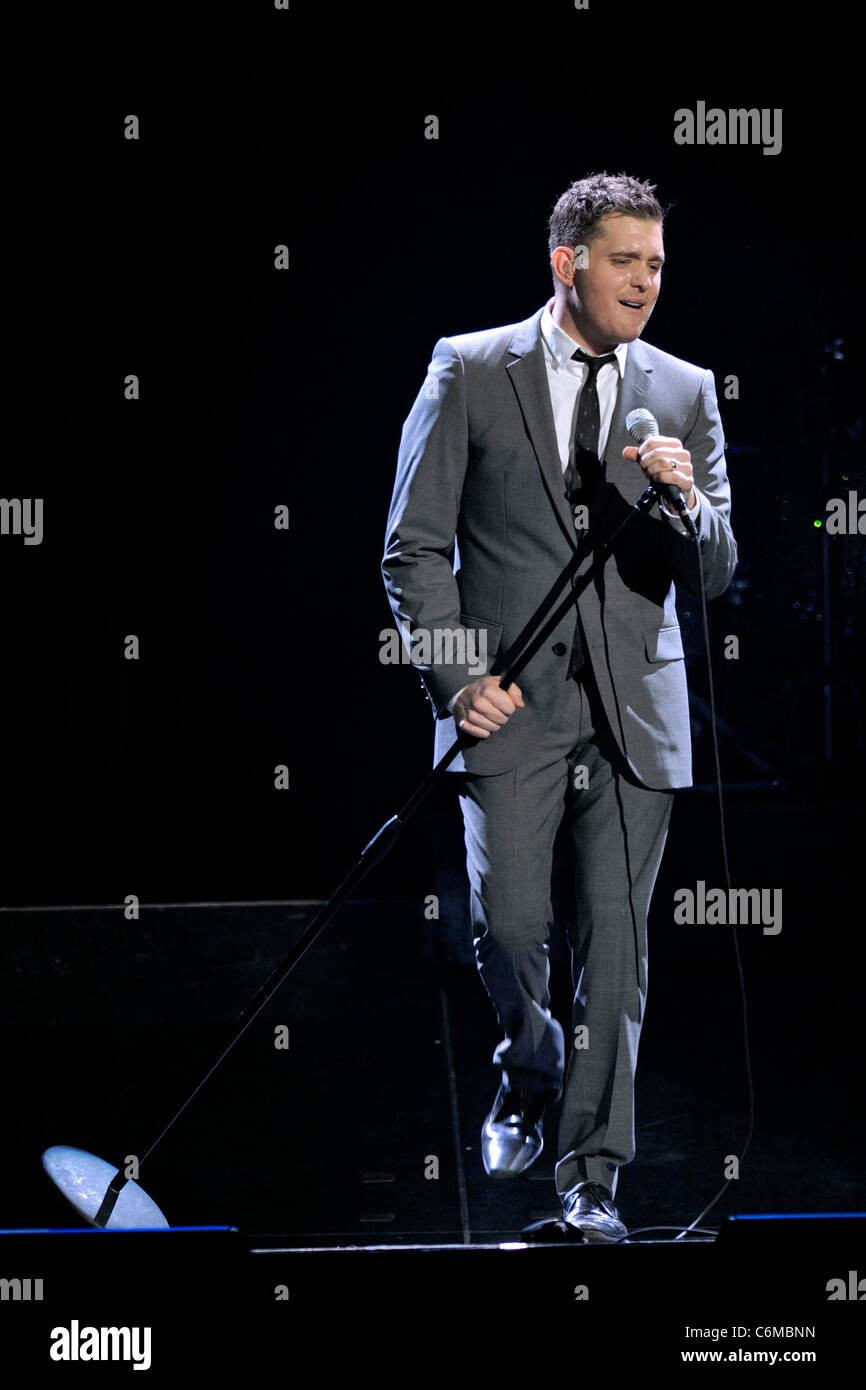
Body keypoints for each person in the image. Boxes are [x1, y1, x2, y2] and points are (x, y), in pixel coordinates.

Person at [382, 172, 737, 1241]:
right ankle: (529, 1060)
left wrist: (684, 500)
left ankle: (591, 1183)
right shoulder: (469, 368)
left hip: (637, 713)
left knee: (617, 951)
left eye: (656, 265)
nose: (644, 282)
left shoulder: (683, 389)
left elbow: (717, 569)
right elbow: (413, 549)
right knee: (509, 927)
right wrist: (457, 678)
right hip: (509, 704)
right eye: (624, 261)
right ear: (565, 263)